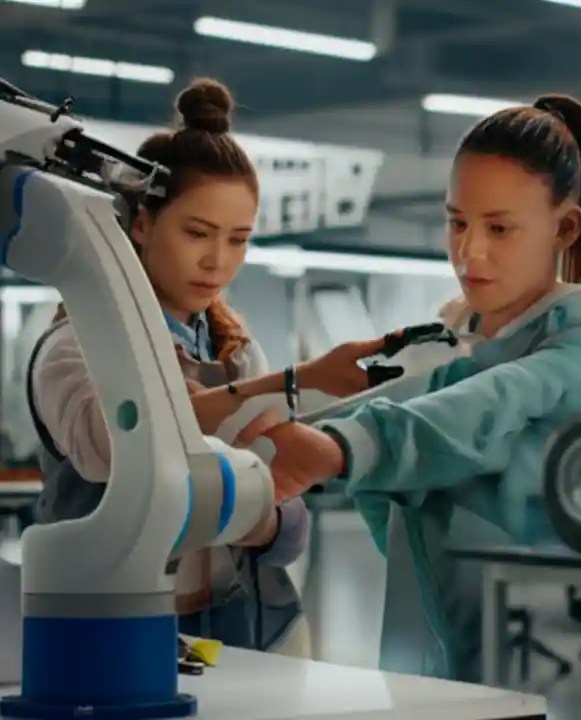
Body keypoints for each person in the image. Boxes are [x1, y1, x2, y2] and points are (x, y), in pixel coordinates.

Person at [234, 93, 581, 682]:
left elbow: (488, 401)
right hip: (420, 644)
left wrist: (346, 447)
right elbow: (387, 476)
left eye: (500, 228)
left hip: (538, 653)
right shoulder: (447, 331)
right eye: (457, 222)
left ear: (564, 227)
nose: (470, 251)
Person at [28, 78, 386, 655]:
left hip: (234, 622)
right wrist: (292, 387)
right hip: (108, 631)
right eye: (197, 233)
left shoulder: (234, 353)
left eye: (238, 240)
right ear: (142, 224)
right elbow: (118, 448)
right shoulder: (73, 348)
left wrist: (270, 517)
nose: (218, 261)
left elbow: (287, 518)